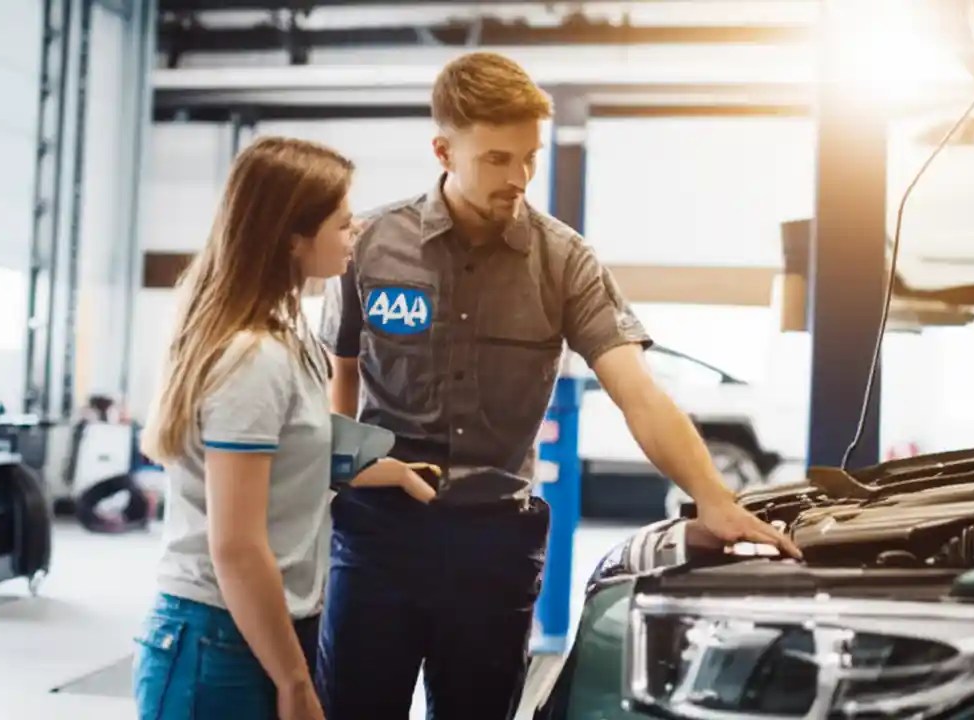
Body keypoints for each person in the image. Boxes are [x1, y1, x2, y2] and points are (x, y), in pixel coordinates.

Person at [314, 52, 802, 719]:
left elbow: (640, 393)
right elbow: (336, 385)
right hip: (379, 539)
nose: (516, 179)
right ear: (443, 151)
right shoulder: (371, 247)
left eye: (528, 158)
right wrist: (337, 488)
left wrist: (712, 499)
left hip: (495, 547)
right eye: (495, 159)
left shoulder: (562, 260)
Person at [132, 136, 434, 720]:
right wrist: (296, 683)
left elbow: (289, 457)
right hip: (219, 640)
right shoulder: (254, 359)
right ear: (295, 236)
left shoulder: (289, 333)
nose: (357, 235)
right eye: (344, 224)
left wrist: (387, 471)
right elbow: (238, 547)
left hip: (257, 629)